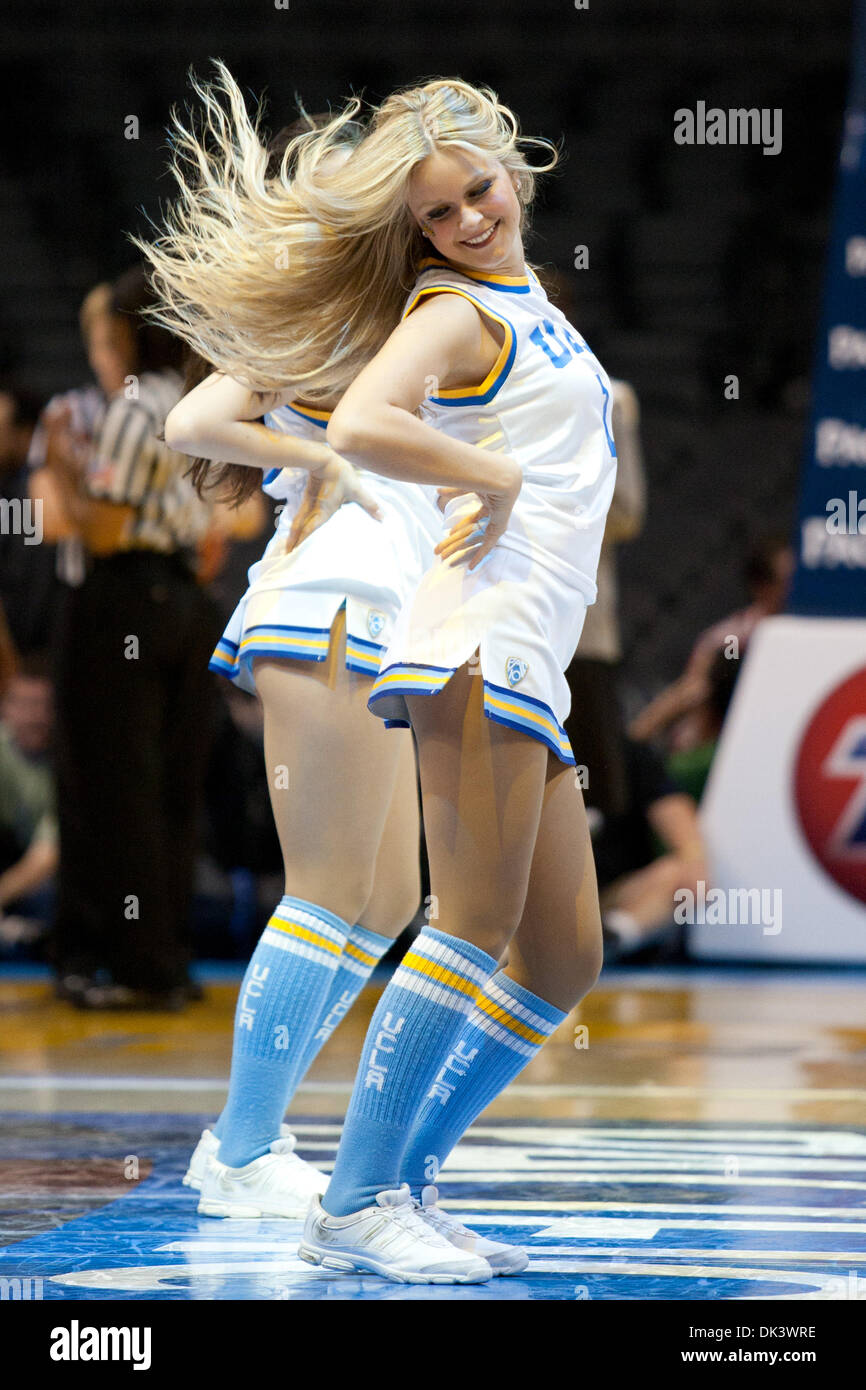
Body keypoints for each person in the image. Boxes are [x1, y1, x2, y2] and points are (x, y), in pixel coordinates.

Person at [145, 104, 453, 1229]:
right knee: (327, 893)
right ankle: (241, 1145)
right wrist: (313, 452)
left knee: (380, 907)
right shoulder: (330, 314)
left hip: (394, 620)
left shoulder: (434, 315)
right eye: (429, 202)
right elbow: (192, 420)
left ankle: (252, 1129)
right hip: (328, 603)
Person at [29, 268, 219, 1009]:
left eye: (106, 335)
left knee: (105, 785)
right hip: (187, 604)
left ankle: (112, 959)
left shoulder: (123, 409)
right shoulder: (197, 403)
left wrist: (69, 469)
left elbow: (102, 530)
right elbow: (226, 526)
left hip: (119, 603)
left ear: (129, 336)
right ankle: (164, 956)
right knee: (173, 786)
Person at [629, 534, 794, 751]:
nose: (795, 588)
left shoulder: (803, 637)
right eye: (786, 581)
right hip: (711, 750)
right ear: (761, 586)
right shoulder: (733, 640)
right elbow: (695, 690)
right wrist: (636, 736)